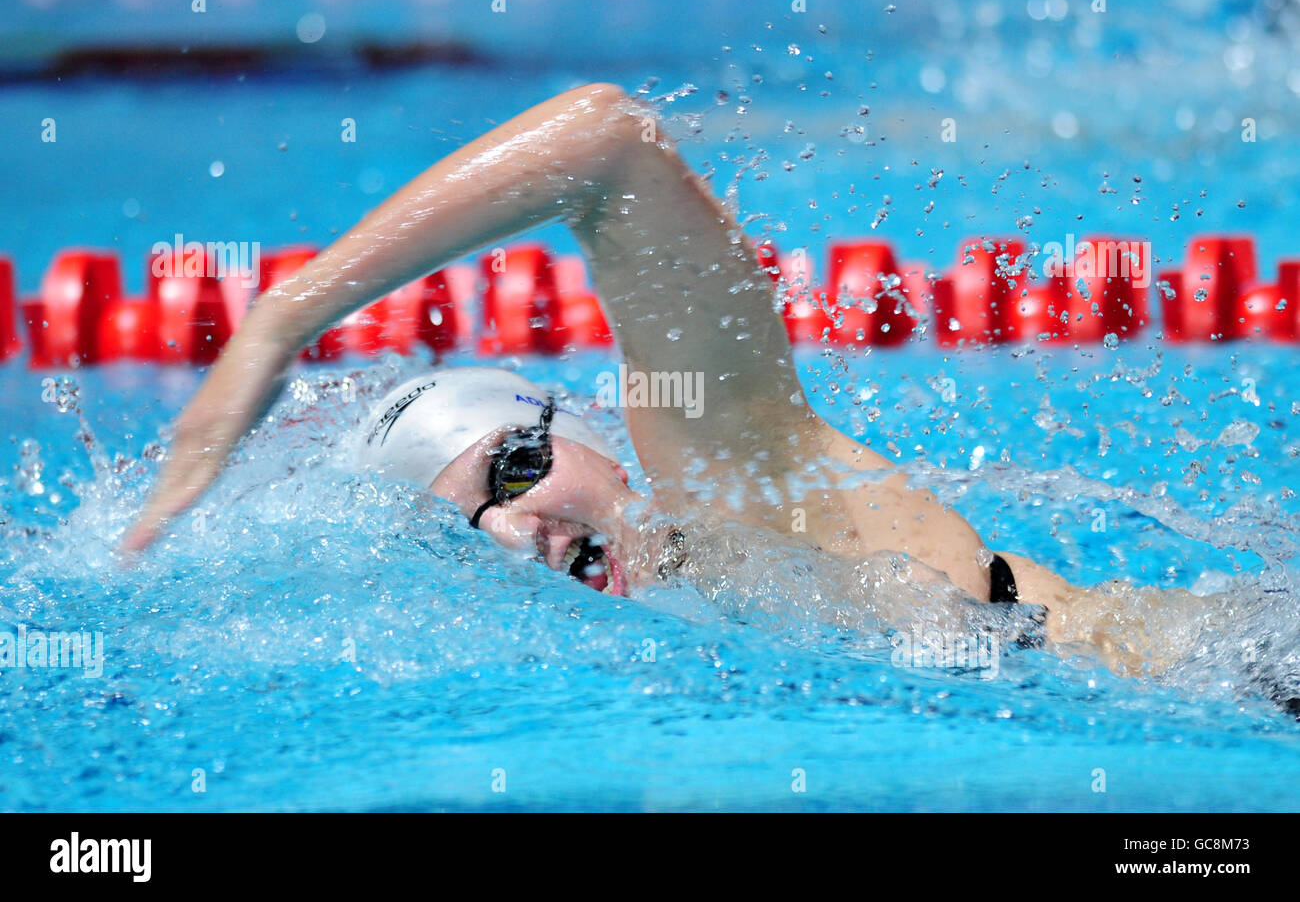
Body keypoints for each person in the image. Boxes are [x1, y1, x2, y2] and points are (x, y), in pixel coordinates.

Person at [120, 83, 1272, 692]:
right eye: (472, 530)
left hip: (1240, 678)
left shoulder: (725, 475)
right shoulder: (656, 656)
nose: (520, 532)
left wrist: (279, 318)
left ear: (583, 431)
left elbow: (604, 142)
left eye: (513, 468)